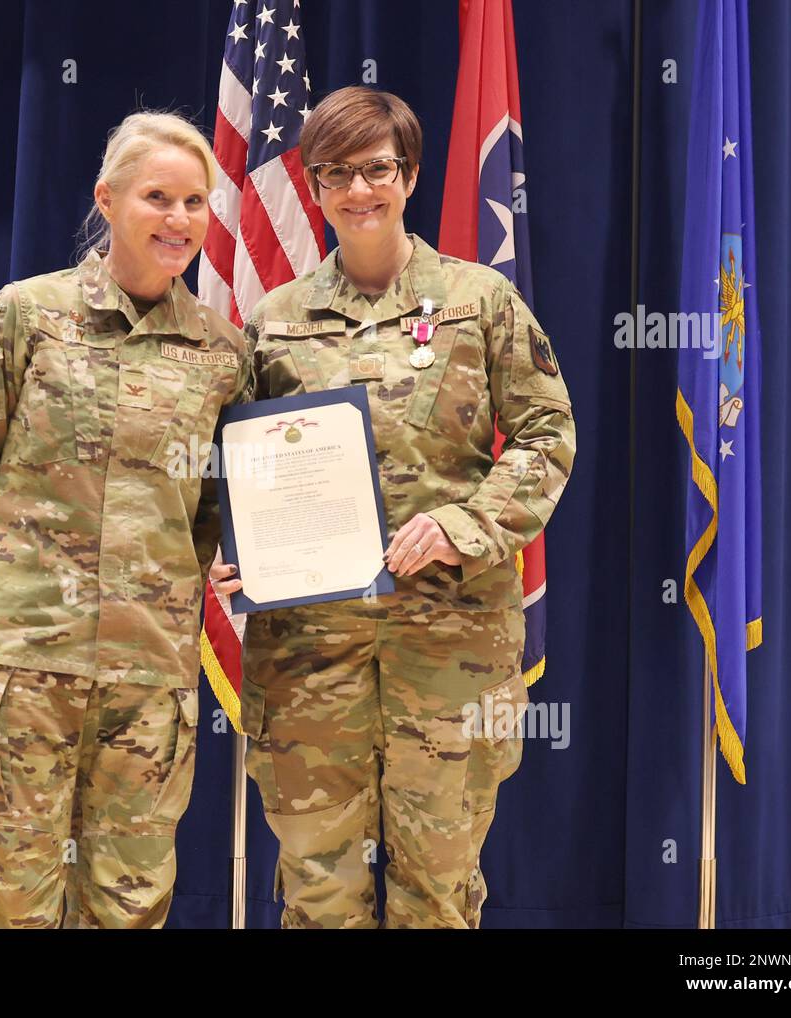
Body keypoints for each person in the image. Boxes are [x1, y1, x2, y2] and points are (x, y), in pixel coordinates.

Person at [211, 86, 575, 928]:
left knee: (438, 894)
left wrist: (461, 525)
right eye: (336, 173)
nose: (358, 190)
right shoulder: (273, 322)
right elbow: (223, 464)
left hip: (448, 650)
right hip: (309, 660)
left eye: (376, 169)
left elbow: (547, 434)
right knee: (316, 892)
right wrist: (229, 549)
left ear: (409, 175)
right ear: (313, 188)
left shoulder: (478, 300)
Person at [0, 111, 251, 928]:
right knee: (8, 902)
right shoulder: (26, 316)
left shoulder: (221, 354)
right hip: (22, 670)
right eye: (157, 198)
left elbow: (217, 507)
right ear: (107, 201)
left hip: (148, 680)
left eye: (194, 202)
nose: (178, 220)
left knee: (129, 907)